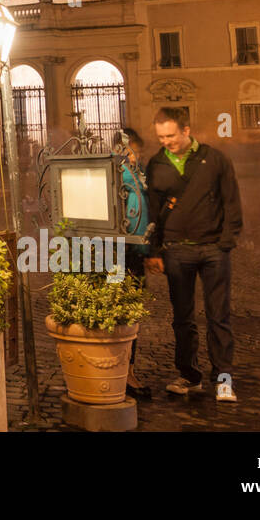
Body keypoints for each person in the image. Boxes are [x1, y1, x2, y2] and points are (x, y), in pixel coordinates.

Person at [144, 107, 244, 402]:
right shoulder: (157, 163)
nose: (166, 141)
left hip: (214, 249)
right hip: (176, 251)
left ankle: (223, 379)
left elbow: (232, 202)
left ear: (186, 131)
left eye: (171, 135)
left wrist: (226, 242)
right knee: (182, 318)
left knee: (219, 317)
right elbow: (152, 211)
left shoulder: (214, 159)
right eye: (161, 136)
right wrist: (154, 250)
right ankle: (189, 376)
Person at [114, 127, 153, 399]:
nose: (134, 156)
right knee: (122, 312)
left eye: (136, 152)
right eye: (131, 151)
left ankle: (127, 368)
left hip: (135, 251)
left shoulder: (139, 175)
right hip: (118, 252)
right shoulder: (116, 173)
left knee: (131, 313)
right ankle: (123, 372)